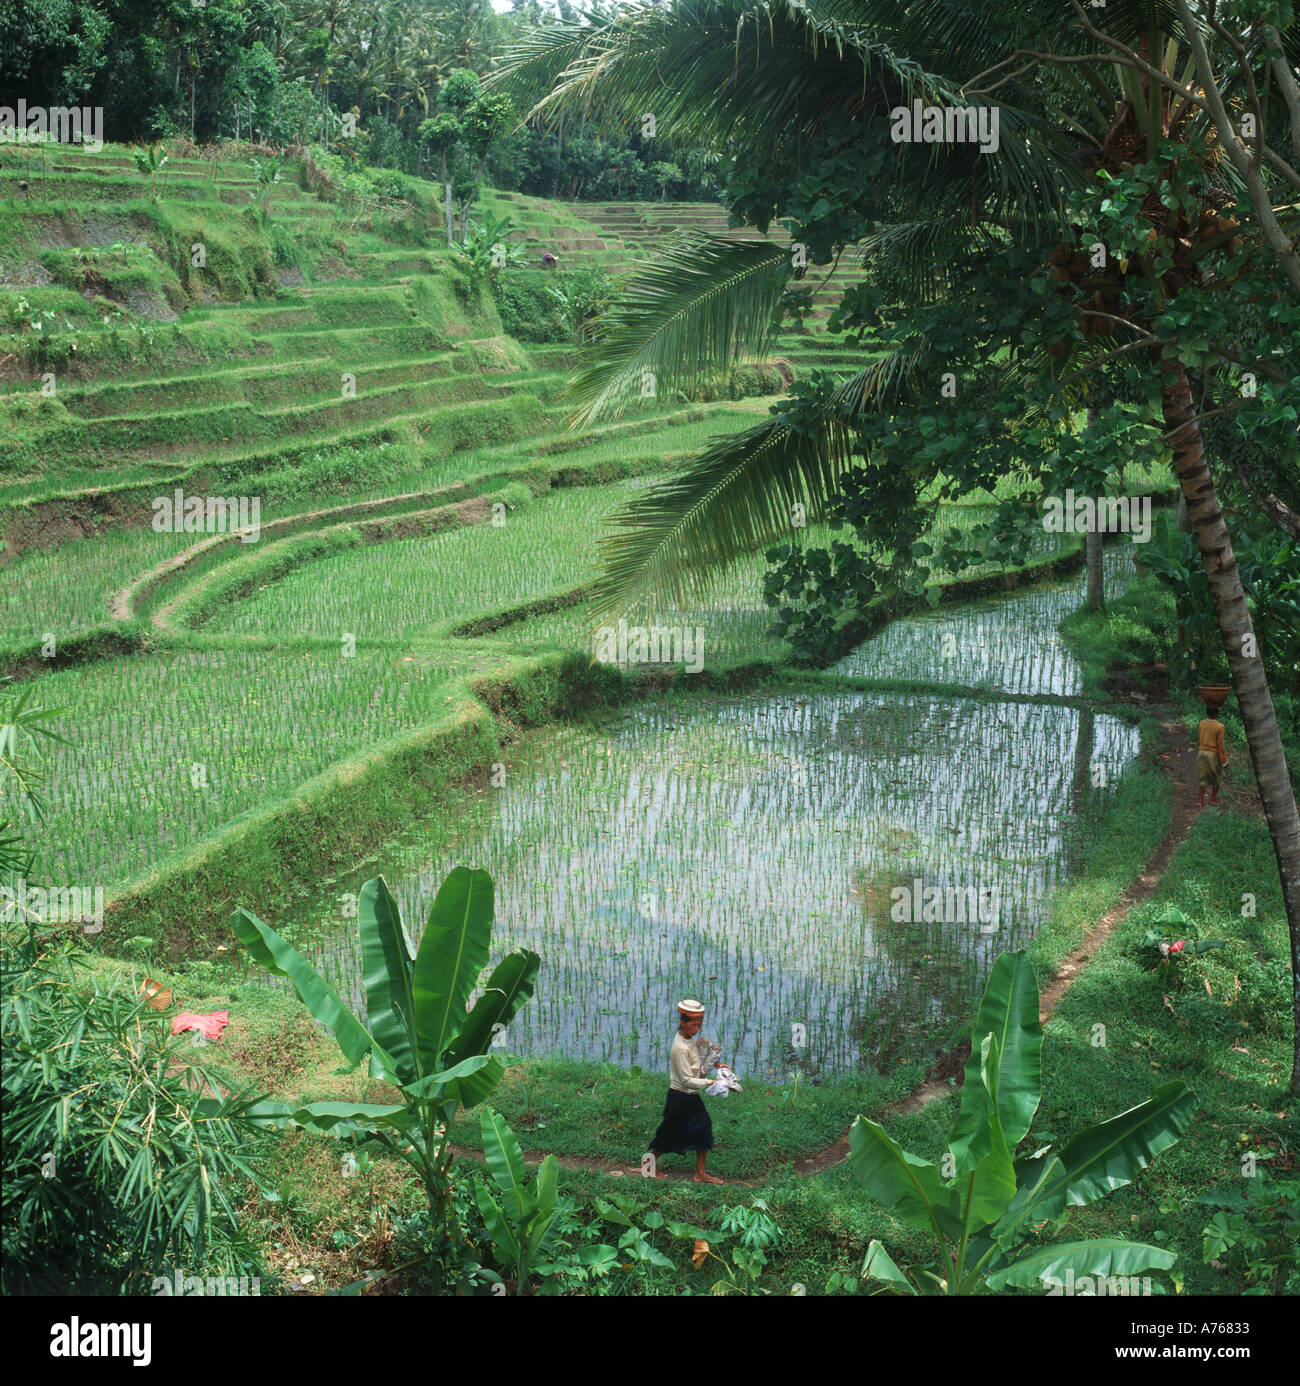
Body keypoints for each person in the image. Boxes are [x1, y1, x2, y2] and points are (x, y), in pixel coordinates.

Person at [648, 999, 724, 1184]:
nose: (696, 1029)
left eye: (698, 1025)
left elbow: (696, 1058)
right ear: (682, 1022)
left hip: (690, 1097)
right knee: (667, 1133)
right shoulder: (680, 1048)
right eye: (692, 1025)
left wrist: (716, 1064)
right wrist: (711, 1082)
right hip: (680, 1097)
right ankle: (647, 1167)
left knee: (703, 1127)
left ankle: (700, 1173)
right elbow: (686, 1080)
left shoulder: (688, 1040)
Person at [1197, 703, 1229, 806]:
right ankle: (1213, 799)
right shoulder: (1220, 727)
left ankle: (1200, 801)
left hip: (1201, 752)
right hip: (1213, 754)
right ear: (1217, 713)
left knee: (1203, 777)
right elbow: (1220, 745)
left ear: (1207, 712)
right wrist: (1225, 760)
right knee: (1217, 777)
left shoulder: (1202, 723)